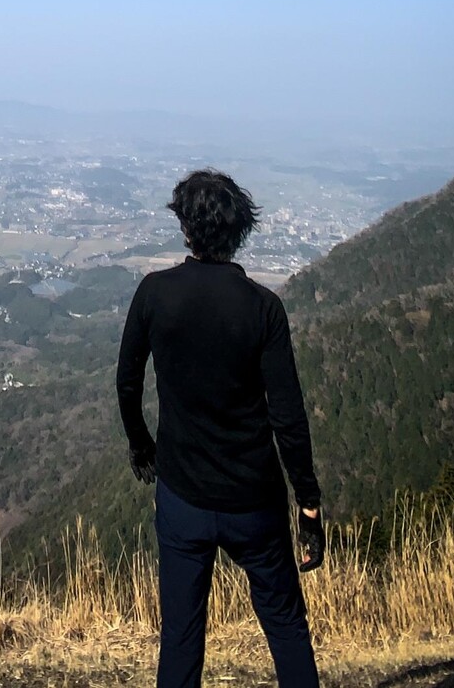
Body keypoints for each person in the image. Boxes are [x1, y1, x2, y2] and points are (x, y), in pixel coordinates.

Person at [116, 168, 325, 688]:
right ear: (240, 232)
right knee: (284, 626)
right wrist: (308, 503)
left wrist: (142, 445)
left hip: (183, 497)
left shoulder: (155, 294)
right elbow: (288, 418)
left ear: (185, 228)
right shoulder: (264, 308)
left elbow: (126, 381)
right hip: (254, 501)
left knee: (182, 639)